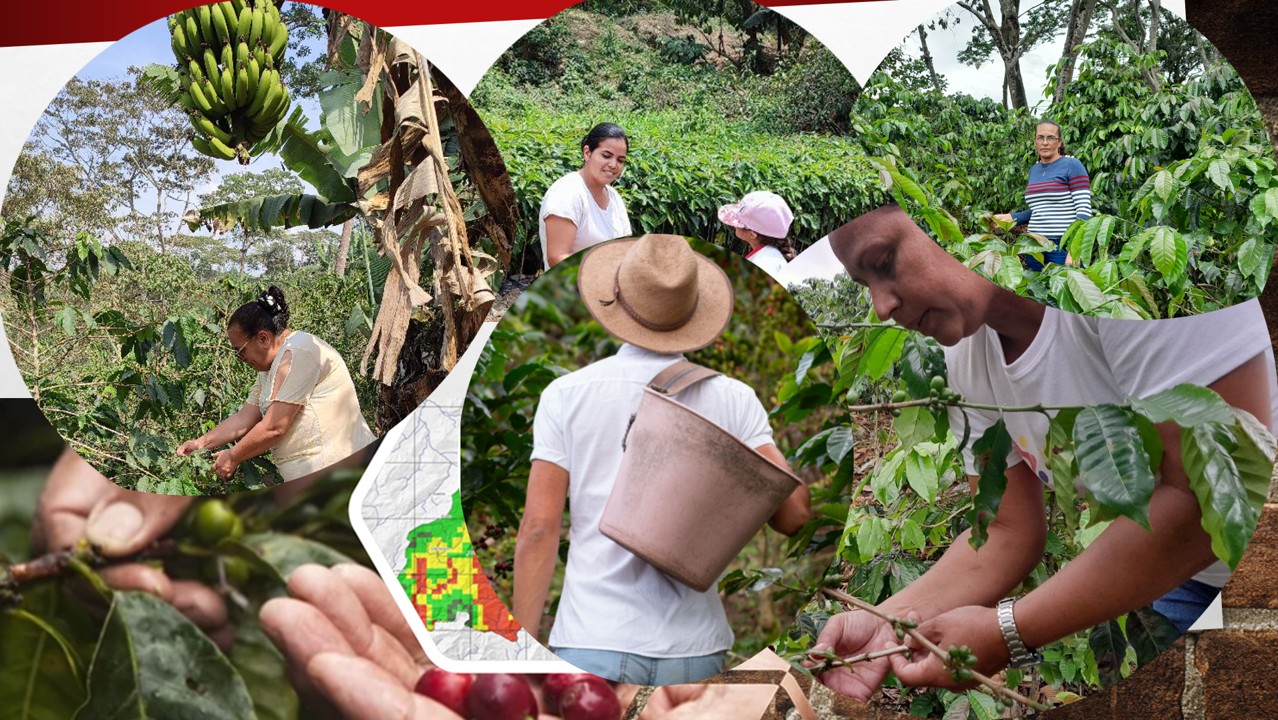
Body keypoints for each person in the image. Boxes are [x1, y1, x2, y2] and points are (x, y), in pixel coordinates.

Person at [816, 204, 1275, 700]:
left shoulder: (1121, 296)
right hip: (1180, 578)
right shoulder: (967, 358)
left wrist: (1009, 629)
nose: (880, 307)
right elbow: (1005, 531)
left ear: (957, 226)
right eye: (864, 283)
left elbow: (1210, 498)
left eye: (883, 262)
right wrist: (886, 624)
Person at [513, 234, 812, 685]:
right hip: (694, 650)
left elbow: (539, 528)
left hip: (592, 638)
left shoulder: (567, 395)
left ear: (618, 299)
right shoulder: (733, 398)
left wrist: (520, 652)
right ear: (692, 313)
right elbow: (794, 516)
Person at [176, 286, 376, 483]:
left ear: (263, 338)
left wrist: (233, 456)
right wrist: (200, 443)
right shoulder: (270, 368)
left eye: (240, 351)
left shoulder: (298, 353)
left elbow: (274, 427)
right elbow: (244, 418)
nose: (241, 358)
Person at [992, 119, 1092, 270]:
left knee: (1065, 290)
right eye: (1040, 137)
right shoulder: (1034, 170)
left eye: (1051, 138)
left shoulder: (1072, 165)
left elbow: (1084, 211)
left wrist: (1074, 248)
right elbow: (1042, 208)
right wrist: (1012, 218)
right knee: (1035, 291)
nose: (1045, 142)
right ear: (1035, 141)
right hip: (1034, 245)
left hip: (1062, 245)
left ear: (1059, 142)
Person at [538, 123, 633, 269]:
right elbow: (557, 257)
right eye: (606, 156)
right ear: (587, 153)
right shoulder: (567, 193)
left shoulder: (614, 197)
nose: (614, 165)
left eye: (620, 160)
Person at [718, 190, 797, 282]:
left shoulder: (763, 264)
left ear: (752, 234)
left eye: (739, 223)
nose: (734, 225)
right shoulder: (769, 256)